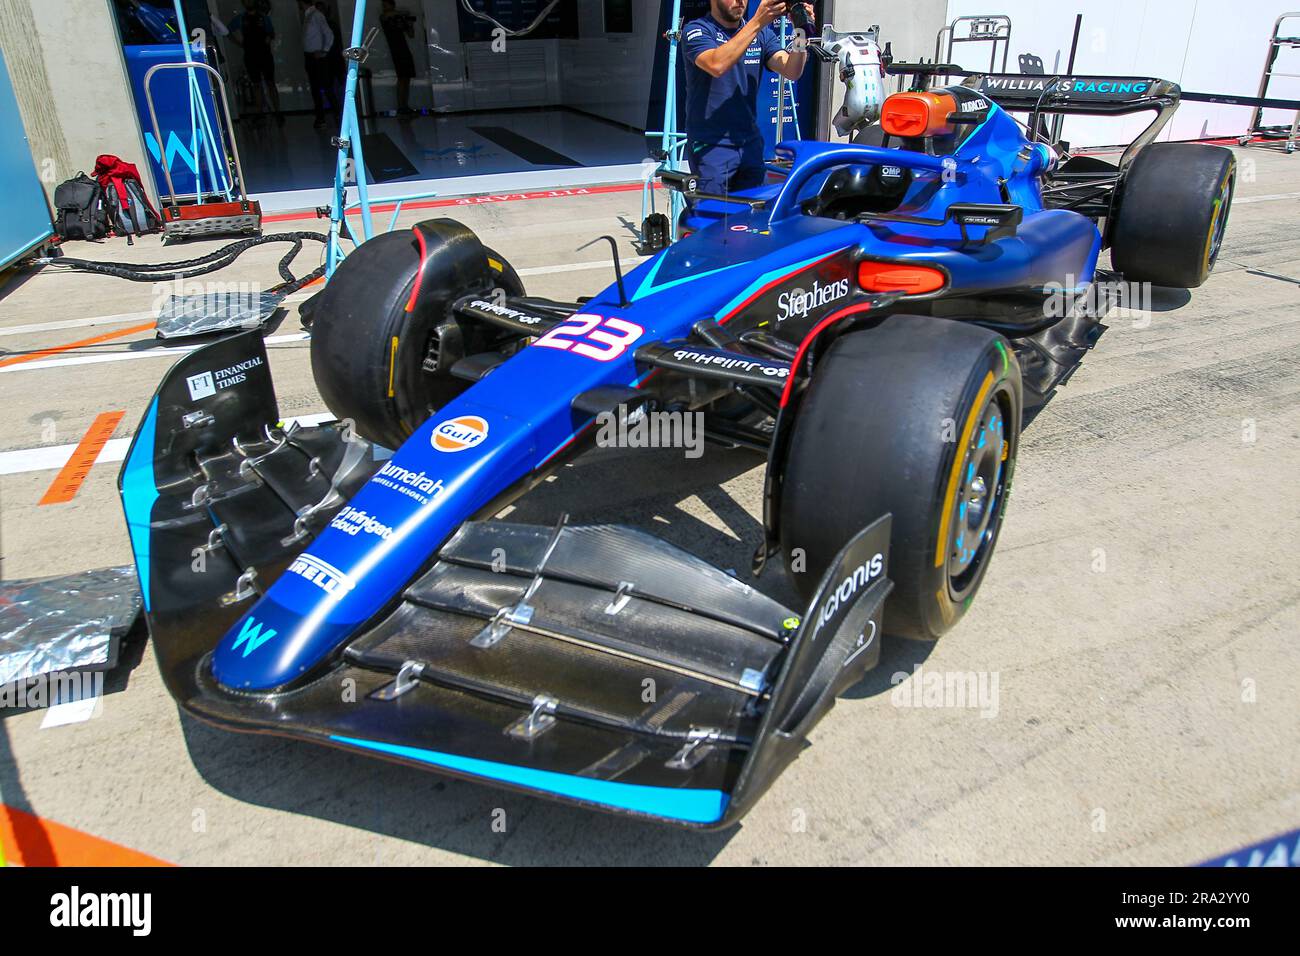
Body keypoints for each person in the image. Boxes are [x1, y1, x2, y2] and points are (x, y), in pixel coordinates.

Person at [683, 0, 814, 196]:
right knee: (711, 219)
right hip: (712, 147)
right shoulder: (697, 29)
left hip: (750, 145)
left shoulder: (761, 34)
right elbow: (716, 64)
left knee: (754, 220)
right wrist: (757, 22)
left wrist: (801, 31)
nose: (740, 1)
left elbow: (792, 70)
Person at [229, 0, 283, 123]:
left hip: (265, 55)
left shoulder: (263, 17)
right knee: (256, 84)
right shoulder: (241, 18)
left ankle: (277, 112)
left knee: (270, 83)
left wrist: (269, 37)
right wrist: (239, 43)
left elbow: (272, 32)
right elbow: (228, 31)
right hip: (250, 55)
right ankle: (260, 113)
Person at [297, 0, 335, 128]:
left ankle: (336, 113)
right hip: (311, 56)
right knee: (316, 88)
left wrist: (324, 50)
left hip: (317, 56)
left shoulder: (316, 15)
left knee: (325, 86)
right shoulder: (309, 15)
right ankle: (321, 117)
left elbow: (329, 34)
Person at [380, 0, 418, 115]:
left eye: (385, 4)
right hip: (397, 51)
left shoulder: (398, 18)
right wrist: (402, 14)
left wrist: (409, 23)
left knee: (406, 79)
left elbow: (411, 35)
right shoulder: (386, 17)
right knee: (402, 78)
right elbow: (387, 16)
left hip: (403, 50)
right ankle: (401, 106)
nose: (384, 7)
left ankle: (404, 105)